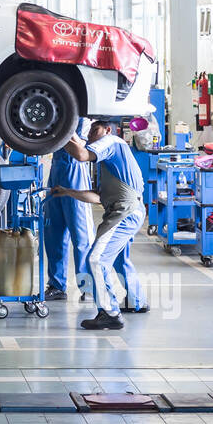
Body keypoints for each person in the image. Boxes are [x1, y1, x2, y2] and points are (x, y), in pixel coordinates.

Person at [51, 119, 146, 330]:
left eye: (95, 130)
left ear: (108, 129)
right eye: (90, 131)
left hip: (125, 213)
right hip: (124, 211)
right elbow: (97, 197)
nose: (92, 135)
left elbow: (82, 154)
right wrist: (68, 192)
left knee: (96, 258)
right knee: (117, 258)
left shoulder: (111, 142)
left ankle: (109, 312)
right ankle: (137, 301)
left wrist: (58, 132)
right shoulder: (109, 162)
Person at [43, 120, 93, 302]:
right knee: (53, 234)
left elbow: (81, 145)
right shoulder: (56, 111)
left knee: (81, 236)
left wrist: (64, 127)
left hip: (76, 172)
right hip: (56, 171)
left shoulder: (83, 117)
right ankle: (57, 285)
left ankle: (88, 287)